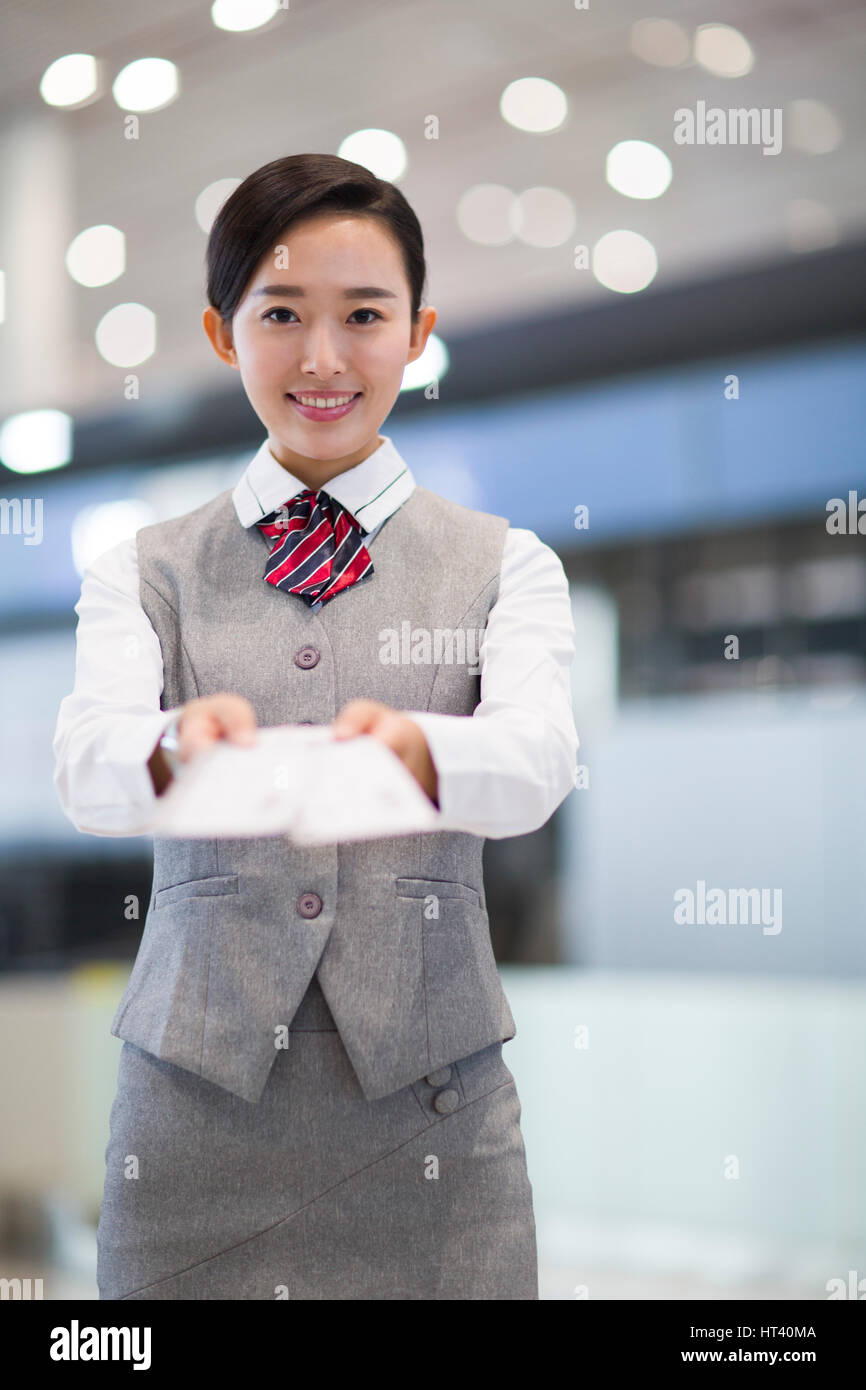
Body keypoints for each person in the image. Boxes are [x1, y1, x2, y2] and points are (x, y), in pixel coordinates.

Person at [53, 152, 580, 1300]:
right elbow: (89, 769)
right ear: (222, 330)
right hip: (190, 1121)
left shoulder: (506, 564)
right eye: (282, 313)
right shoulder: (142, 569)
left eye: (364, 316)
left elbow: (539, 763)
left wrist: (418, 753)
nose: (325, 358)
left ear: (417, 329)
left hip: (434, 1123)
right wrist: (176, 748)